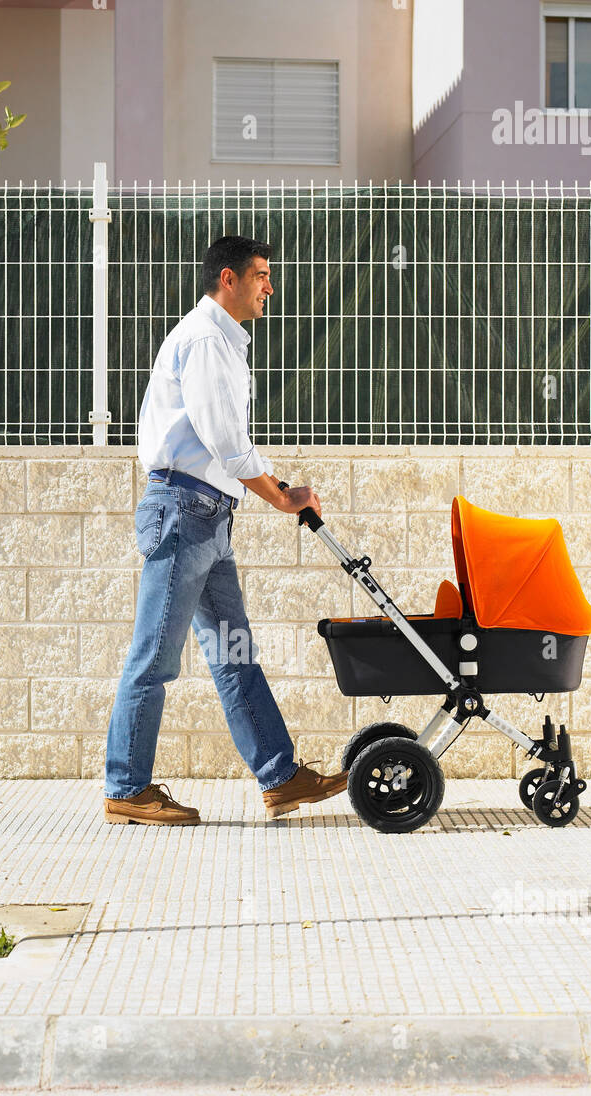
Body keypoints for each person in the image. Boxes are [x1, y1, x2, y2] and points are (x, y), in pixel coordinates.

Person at [103, 235, 349, 826]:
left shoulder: (223, 343)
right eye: (261, 275)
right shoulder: (207, 339)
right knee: (155, 656)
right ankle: (127, 787)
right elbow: (226, 442)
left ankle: (280, 778)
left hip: (207, 517)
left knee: (234, 654)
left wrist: (265, 487)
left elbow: (232, 442)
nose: (270, 286)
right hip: (184, 514)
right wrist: (282, 496)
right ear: (229, 280)